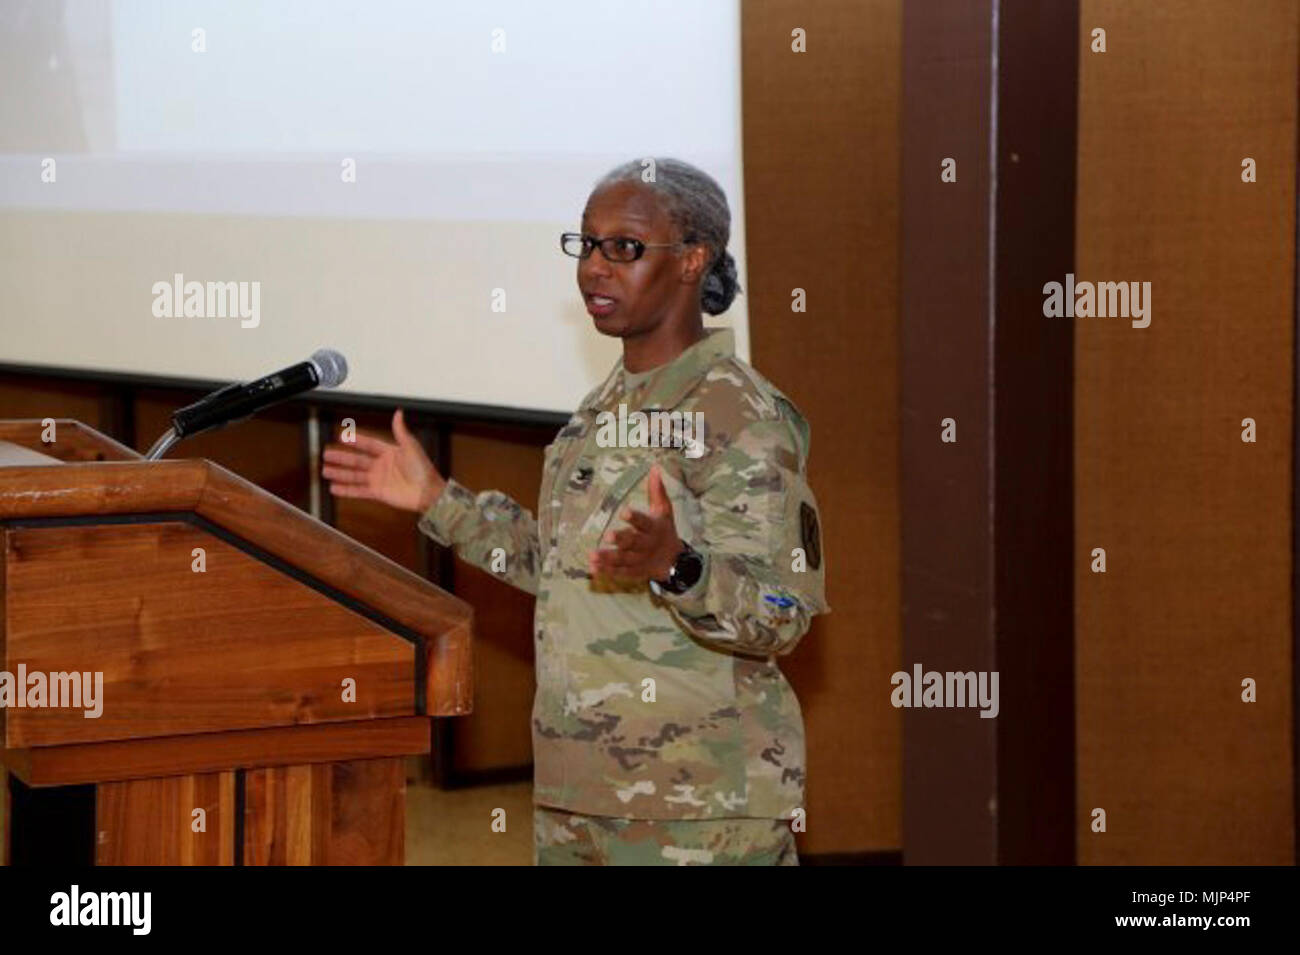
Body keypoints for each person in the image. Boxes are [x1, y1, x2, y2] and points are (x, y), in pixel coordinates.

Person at [322, 157, 829, 865]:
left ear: (691, 261)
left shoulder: (737, 413)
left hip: (698, 810)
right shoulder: (603, 410)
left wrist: (678, 565)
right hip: (578, 795)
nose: (593, 267)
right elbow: (564, 567)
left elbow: (781, 611)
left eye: (623, 247)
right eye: (586, 244)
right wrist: (440, 502)